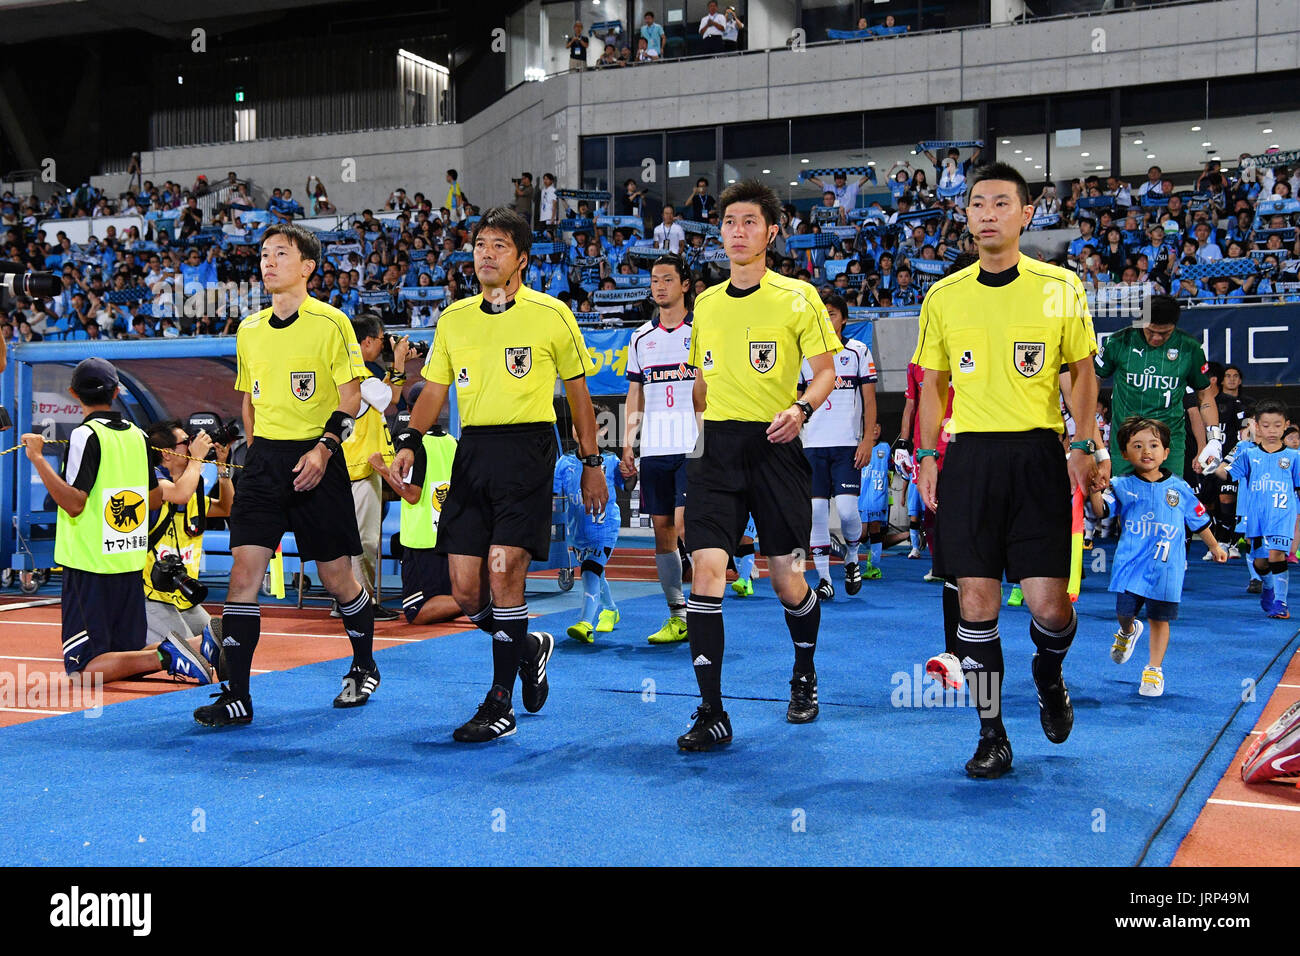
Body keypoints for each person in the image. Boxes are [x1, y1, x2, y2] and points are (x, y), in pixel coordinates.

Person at [913, 162, 1103, 779]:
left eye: (1001, 203)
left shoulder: (1061, 287)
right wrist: (927, 456)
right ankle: (991, 732)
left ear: (1026, 213)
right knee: (976, 602)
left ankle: (1048, 673)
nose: (987, 213)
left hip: (1038, 456)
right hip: (969, 458)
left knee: (1049, 606)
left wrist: (1084, 443)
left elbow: (1082, 373)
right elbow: (932, 385)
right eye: (977, 204)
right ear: (966, 215)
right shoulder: (944, 295)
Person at [389, 207, 606, 743]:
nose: (486, 254)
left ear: (523, 259)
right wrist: (410, 440)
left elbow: (579, 395)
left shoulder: (552, 314)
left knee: (504, 570)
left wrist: (591, 463)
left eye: (500, 246)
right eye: (481, 244)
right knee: (466, 592)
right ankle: (528, 647)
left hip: (528, 451)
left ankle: (500, 702)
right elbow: (434, 391)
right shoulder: (454, 319)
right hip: (473, 453)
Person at [677, 179, 841, 751]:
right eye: (729, 222)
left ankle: (804, 671)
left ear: (771, 232)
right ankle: (712, 711)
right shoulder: (705, 303)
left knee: (787, 576)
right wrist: (699, 441)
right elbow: (701, 383)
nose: (738, 232)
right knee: (706, 570)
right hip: (716, 452)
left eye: (749, 222)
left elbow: (826, 372)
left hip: (777, 448)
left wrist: (801, 409)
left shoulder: (799, 297)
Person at [195, 223, 377, 728]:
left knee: (336, 577)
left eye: (280, 254)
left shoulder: (332, 323)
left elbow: (352, 397)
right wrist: (257, 456)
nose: (268, 262)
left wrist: (324, 449)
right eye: (264, 255)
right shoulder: (249, 329)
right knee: (242, 575)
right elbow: (248, 401)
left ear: (307, 267)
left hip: (319, 457)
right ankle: (237, 696)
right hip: (265, 464)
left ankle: (364, 665)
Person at [21, 359, 215, 685]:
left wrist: (38, 458)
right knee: (123, 655)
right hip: (128, 562)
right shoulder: (139, 436)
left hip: (90, 565)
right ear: (116, 392)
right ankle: (197, 646)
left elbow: (74, 504)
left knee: (83, 669)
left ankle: (170, 655)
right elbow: (154, 499)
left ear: (73, 393)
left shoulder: (85, 435)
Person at [1092, 417, 1226, 697]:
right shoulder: (1120, 485)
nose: (1146, 451)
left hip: (1167, 569)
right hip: (1130, 566)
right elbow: (1101, 510)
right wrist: (1094, 491)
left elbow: (1198, 521)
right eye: (1137, 446)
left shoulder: (1180, 488)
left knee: (1159, 618)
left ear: (1166, 452)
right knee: (1124, 613)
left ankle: (1154, 669)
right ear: (1124, 453)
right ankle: (1128, 631)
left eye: (1153, 445)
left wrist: (1214, 547)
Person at [622, 254, 696, 644]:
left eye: (667, 279)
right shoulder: (640, 338)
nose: (659, 286)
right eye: (654, 280)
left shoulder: (701, 332)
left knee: (686, 525)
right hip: (654, 448)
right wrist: (628, 443)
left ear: (685, 285)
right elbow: (635, 393)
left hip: (694, 446)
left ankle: (705, 606)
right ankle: (678, 615)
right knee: (663, 531)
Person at [798, 293, 877, 599]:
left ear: (843, 319)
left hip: (846, 446)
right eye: (822, 314)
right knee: (816, 513)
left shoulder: (858, 351)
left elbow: (869, 400)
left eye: (831, 314)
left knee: (846, 511)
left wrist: (867, 439)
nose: (827, 319)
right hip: (812, 446)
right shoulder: (804, 356)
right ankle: (824, 579)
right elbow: (796, 399)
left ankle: (852, 555)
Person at [1094, 295, 1222, 478]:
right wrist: (1090, 434)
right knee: (1125, 496)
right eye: (1151, 331)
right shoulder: (1118, 342)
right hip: (1126, 442)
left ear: (1174, 326)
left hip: (1169, 445)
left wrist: (1214, 439)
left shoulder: (1190, 348)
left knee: (1170, 495)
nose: (1156, 338)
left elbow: (1205, 395)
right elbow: (1092, 384)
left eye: (1164, 333)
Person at [142, 420, 232, 653]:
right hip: (150, 595)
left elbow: (227, 507)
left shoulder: (192, 492)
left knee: (223, 647)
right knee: (193, 650)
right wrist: (197, 459)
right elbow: (179, 494)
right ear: (167, 453)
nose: (193, 445)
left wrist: (222, 466)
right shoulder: (152, 484)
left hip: (181, 596)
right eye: (186, 442)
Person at [340, 315, 404, 620]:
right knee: (363, 541)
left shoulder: (353, 374)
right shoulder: (359, 376)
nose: (382, 345)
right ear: (366, 341)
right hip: (360, 469)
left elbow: (385, 395)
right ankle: (361, 604)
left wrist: (395, 368)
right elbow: (390, 398)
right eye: (380, 340)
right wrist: (399, 361)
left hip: (349, 468)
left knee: (352, 539)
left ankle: (347, 601)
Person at [368, 424, 463, 626]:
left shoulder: (414, 446)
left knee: (416, 611)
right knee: (441, 604)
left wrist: (382, 469)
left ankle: (479, 601)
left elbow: (412, 495)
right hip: (449, 537)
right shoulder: (453, 442)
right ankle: (477, 600)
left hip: (422, 540)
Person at [1213, 400, 1300, 619]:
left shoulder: (1294, 457)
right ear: (1257, 427)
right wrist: (1212, 466)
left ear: (1286, 425)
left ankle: (1281, 603)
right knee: (1261, 562)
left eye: (1277, 425)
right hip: (1257, 516)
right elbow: (1228, 474)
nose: (1272, 431)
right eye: (1266, 425)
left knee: (1277, 555)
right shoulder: (1250, 455)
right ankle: (1268, 587)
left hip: (1282, 515)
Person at [556, 413, 623, 643]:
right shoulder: (564, 463)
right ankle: (611, 610)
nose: (580, 428)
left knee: (589, 570)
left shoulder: (611, 460)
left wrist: (630, 474)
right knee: (596, 572)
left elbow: (627, 484)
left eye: (586, 423)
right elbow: (553, 494)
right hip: (578, 533)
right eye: (577, 424)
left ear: (602, 430)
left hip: (605, 529)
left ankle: (585, 623)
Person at [856, 422, 889, 579]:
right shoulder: (858, 447)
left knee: (875, 529)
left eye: (878, 426)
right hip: (861, 498)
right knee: (861, 534)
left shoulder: (885, 448)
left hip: (878, 497)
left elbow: (894, 464)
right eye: (872, 426)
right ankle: (873, 552)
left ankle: (874, 567)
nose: (875, 429)